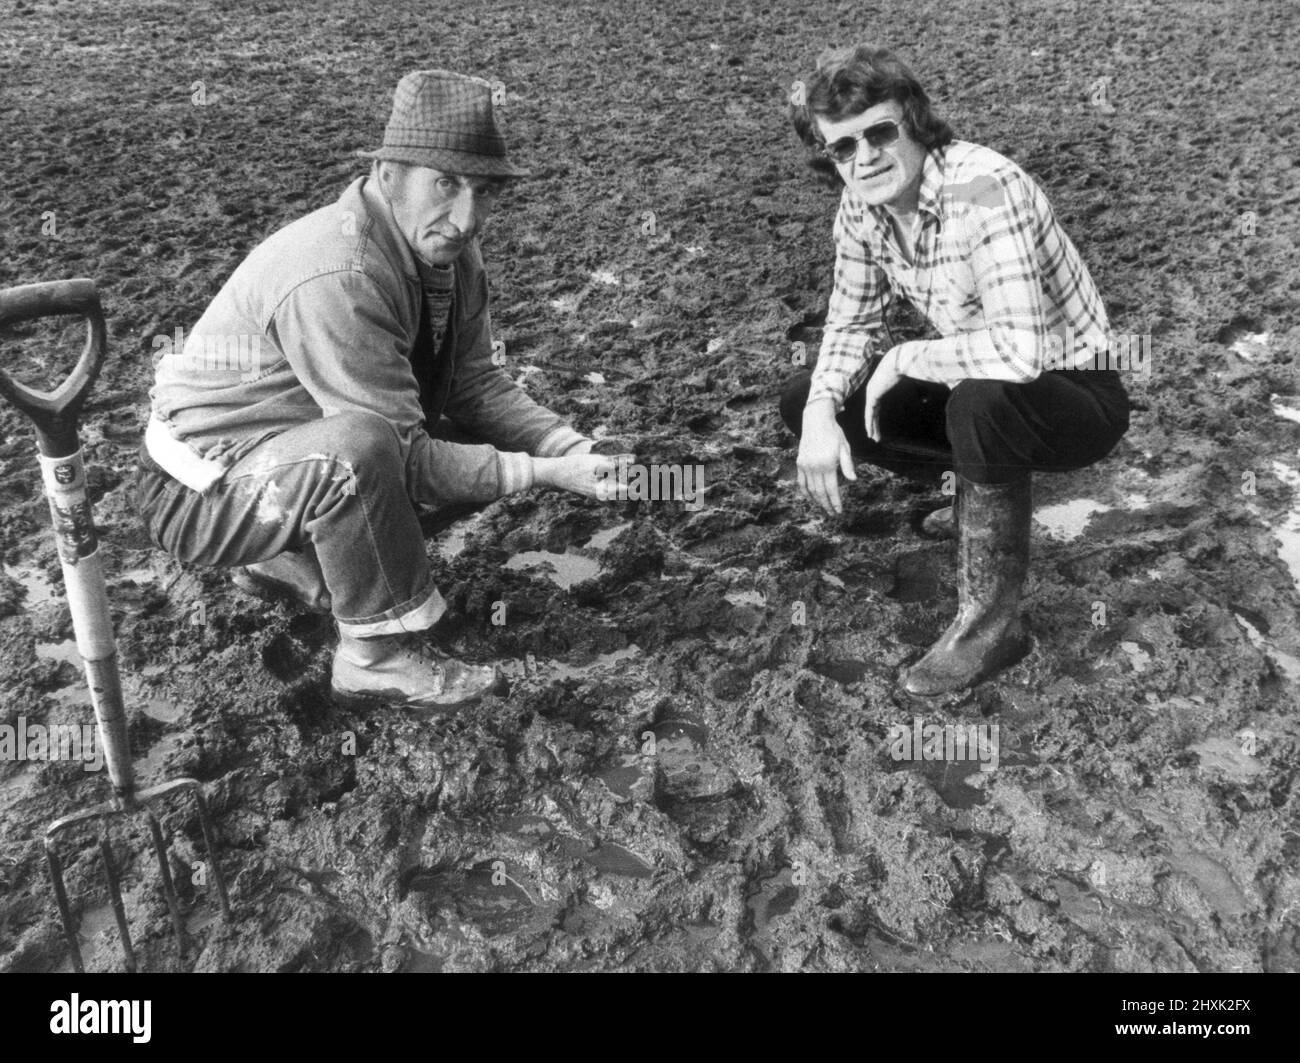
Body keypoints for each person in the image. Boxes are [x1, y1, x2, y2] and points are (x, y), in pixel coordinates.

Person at [135, 70, 618, 710]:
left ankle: (290, 561)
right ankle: (373, 658)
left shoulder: (446, 252)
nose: (467, 218)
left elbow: (475, 383)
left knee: (441, 436)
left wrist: (574, 446)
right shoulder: (339, 271)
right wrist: (549, 474)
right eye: (446, 184)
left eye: (483, 191)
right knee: (362, 451)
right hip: (202, 494)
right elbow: (404, 458)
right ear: (389, 174)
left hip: (282, 458)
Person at [781, 45, 1130, 695]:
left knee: (980, 402)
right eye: (843, 148)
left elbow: (1021, 351)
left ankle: (992, 629)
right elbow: (851, 322)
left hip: (1077, 395)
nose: (867, 157)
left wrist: (906, 355)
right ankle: (978, 492)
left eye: (880, 132)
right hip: (986, 378)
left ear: (914, 121)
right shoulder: (861, 208)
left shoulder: (983, 186)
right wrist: (819, 413)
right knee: (806, 396)